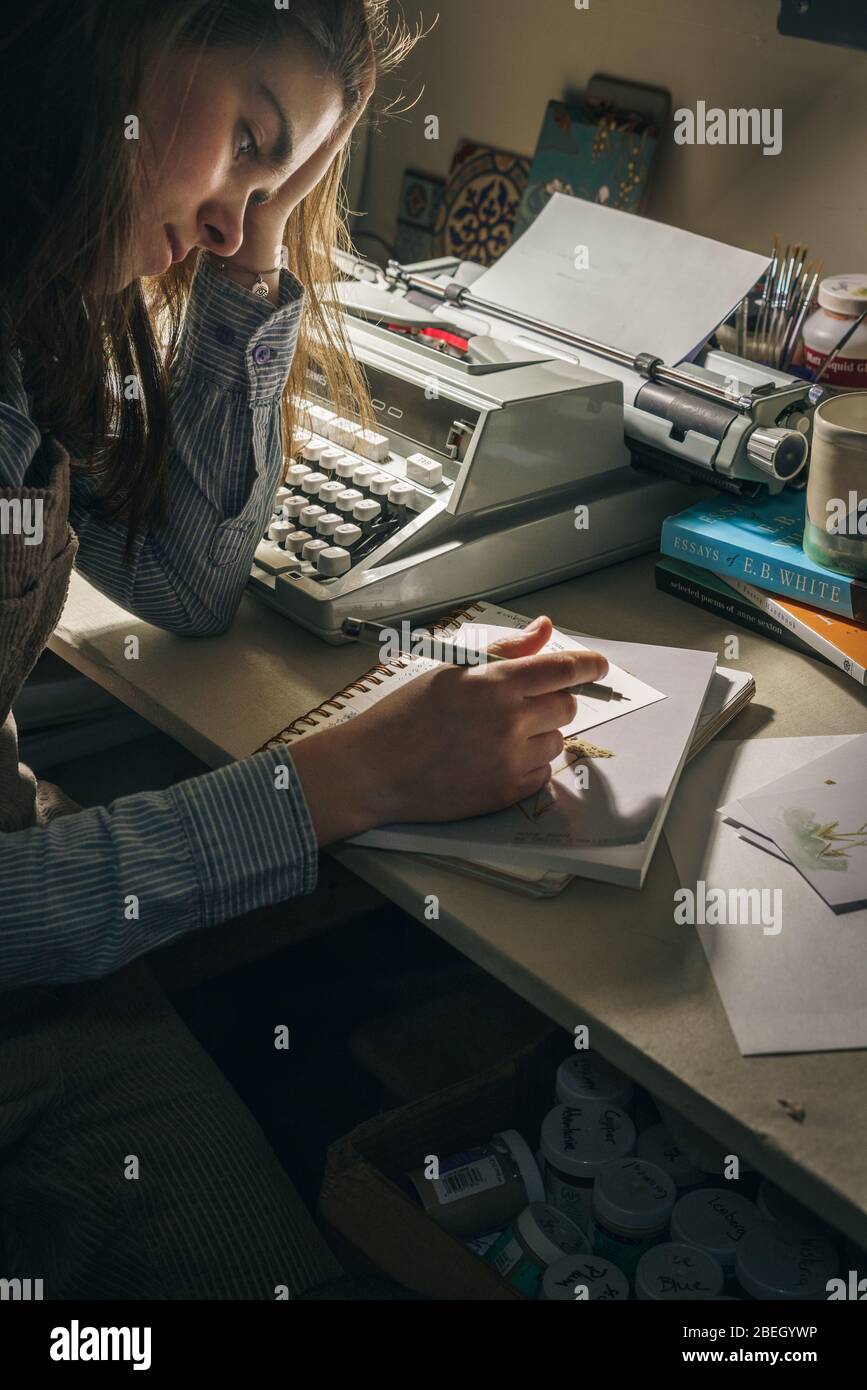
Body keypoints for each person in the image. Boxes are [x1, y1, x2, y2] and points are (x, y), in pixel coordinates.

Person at [0, 0, 608, 1298]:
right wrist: (348, 779)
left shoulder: (42, 295)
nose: (232, 213)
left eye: (275, 179)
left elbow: (186, 577)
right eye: (245, 137)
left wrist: (255, 239)